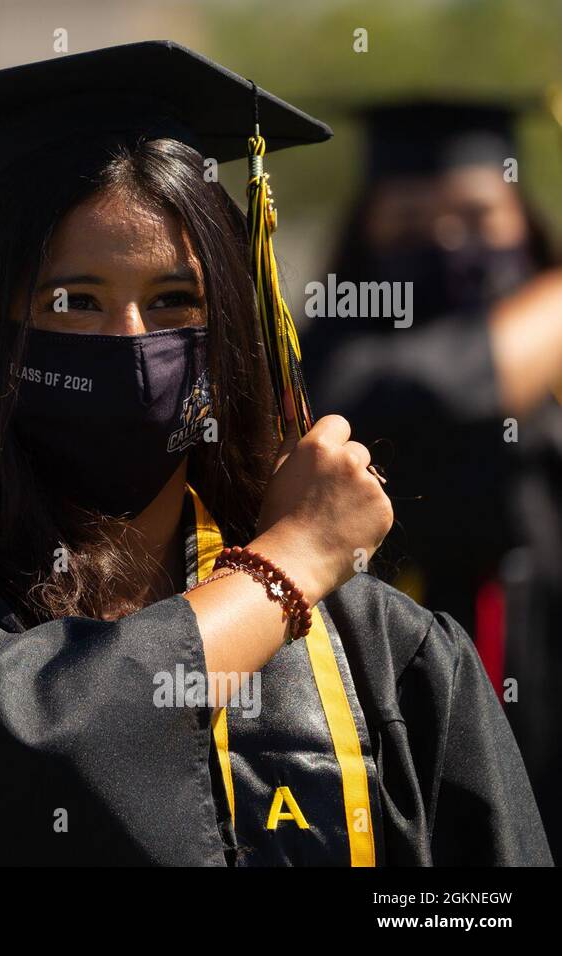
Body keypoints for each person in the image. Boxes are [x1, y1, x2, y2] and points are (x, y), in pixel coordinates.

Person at [0, 42, 552, 866]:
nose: (132, 342)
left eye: (175, 300)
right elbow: (24, 751)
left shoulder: (385, 652)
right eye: (73, 300)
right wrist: (287, 567)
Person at [303, 99, 562, 852]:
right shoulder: (328, 356)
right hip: (399, 687)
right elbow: (456, 384)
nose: (448, 241)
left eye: (479, 216)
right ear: (367, 231)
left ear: (524, 221)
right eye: (412, 221)